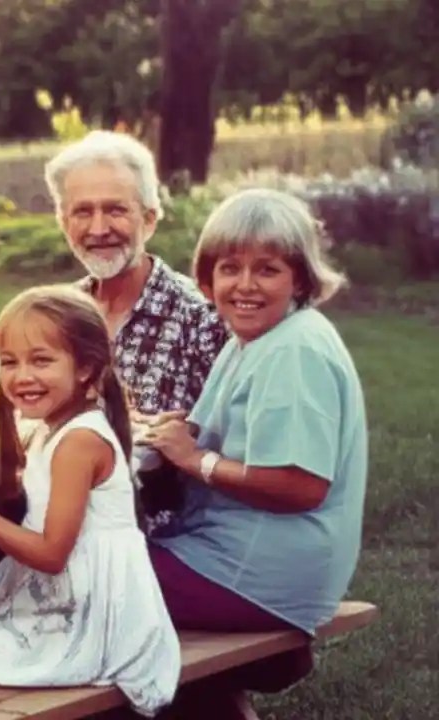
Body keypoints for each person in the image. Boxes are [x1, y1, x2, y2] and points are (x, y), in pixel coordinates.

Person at [0, 285, 179, 718]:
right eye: (9, 362)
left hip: (95, 616)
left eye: (41, 360)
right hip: (70, 598)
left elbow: (53, 553)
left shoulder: (79, 442)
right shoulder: (58, 426)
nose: (22, 377)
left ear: (86, 367)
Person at [145, 189, 366, 686]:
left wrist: (196, 460)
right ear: (208, 277)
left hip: (261, 578)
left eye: (267, 269)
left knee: (83, 580)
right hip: (248, 565)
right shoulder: (257, 335)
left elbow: (301, 486)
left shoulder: (294, 351)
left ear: (301, 279)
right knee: (92, 566)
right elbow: (214, 429)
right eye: (229, 268)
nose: (245, 285)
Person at [44, 130, 228, 530]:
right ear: (63, 222)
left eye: (115, 210)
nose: (98, 228)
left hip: (158, 530)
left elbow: (235, 448)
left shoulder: (200, 318)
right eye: (82, 212)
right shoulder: (58, 316)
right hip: (50, 506)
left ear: (149, 218)